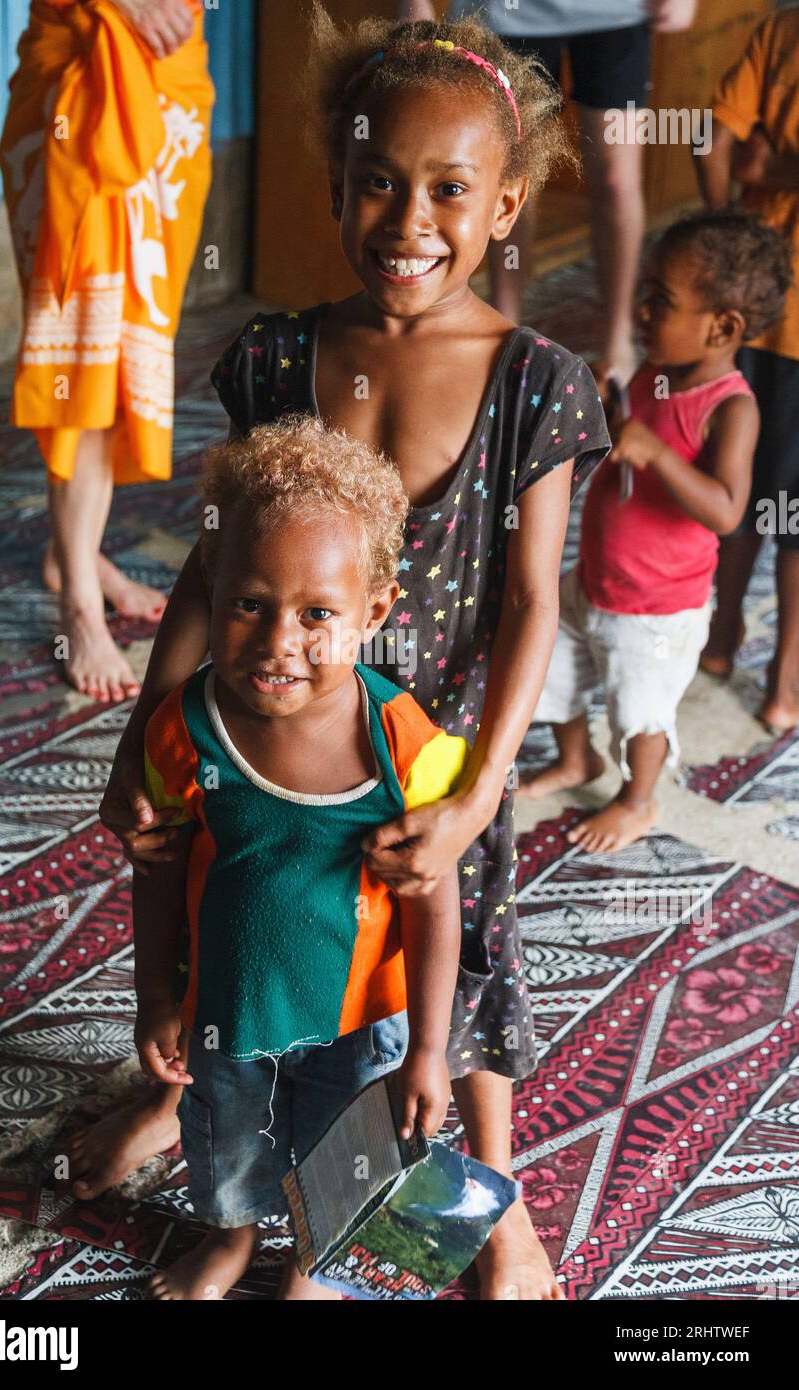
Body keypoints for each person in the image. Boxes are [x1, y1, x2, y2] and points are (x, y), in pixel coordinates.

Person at [97, 8, 612, 1300]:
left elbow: (530, 607)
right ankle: (193, 1108)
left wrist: (475, 796)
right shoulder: (281, 356)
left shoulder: (535, 384)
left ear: (504, 207)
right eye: (377, 181)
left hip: (429, 755)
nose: (406, 220)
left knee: (457, 954)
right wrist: (138, 739)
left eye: (448, 190)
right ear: (336, 182)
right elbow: (211, 567)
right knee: (232, 912)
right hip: (270, 727)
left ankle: (495, 1195)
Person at [136, 415, 464, 1299]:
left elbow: (436, 902)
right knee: (225, 1138)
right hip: (228, 1006)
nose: (280, 640)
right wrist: (157, 996)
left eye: (318, 614)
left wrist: (430, 1050)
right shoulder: (187, 728)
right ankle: (231, 1240)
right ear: (213, 590)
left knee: (347, 1151)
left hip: (364, 1019)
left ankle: (313, 1263)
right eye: (249, 603)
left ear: (374, 612)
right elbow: (156, 866)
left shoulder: (405, 746)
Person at [519, 208, 792, 852]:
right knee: (551, 667)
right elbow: (627, 437)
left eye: (661, 300)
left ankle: (637, 800)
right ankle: (577, 759)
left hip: (657, 609)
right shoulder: (656, 370)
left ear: (723, 327)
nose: (642, 310)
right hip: (596, 578)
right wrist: (606, 410)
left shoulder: (732, 407)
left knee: (638, 709)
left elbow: (728, 510)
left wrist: (659, 455)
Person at [0, 0, 214, 701]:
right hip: (78, 79)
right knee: (83, 360)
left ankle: (74, 553)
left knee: (129, 352)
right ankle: (80, 608)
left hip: (170, 93)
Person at [401, 0, 698, 385]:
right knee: (513, 176)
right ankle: (505, 325)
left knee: (617, 181)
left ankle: (617, 339)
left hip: (619, 14)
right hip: (505, 15)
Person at [695, 6, 799, 733]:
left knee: (745, 479)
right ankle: (784, 680)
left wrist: (752, 186)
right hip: (775, 320)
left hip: (753, 299)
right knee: (785, 503)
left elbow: (715, 142)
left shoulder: (781, 28)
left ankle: (721, 638)